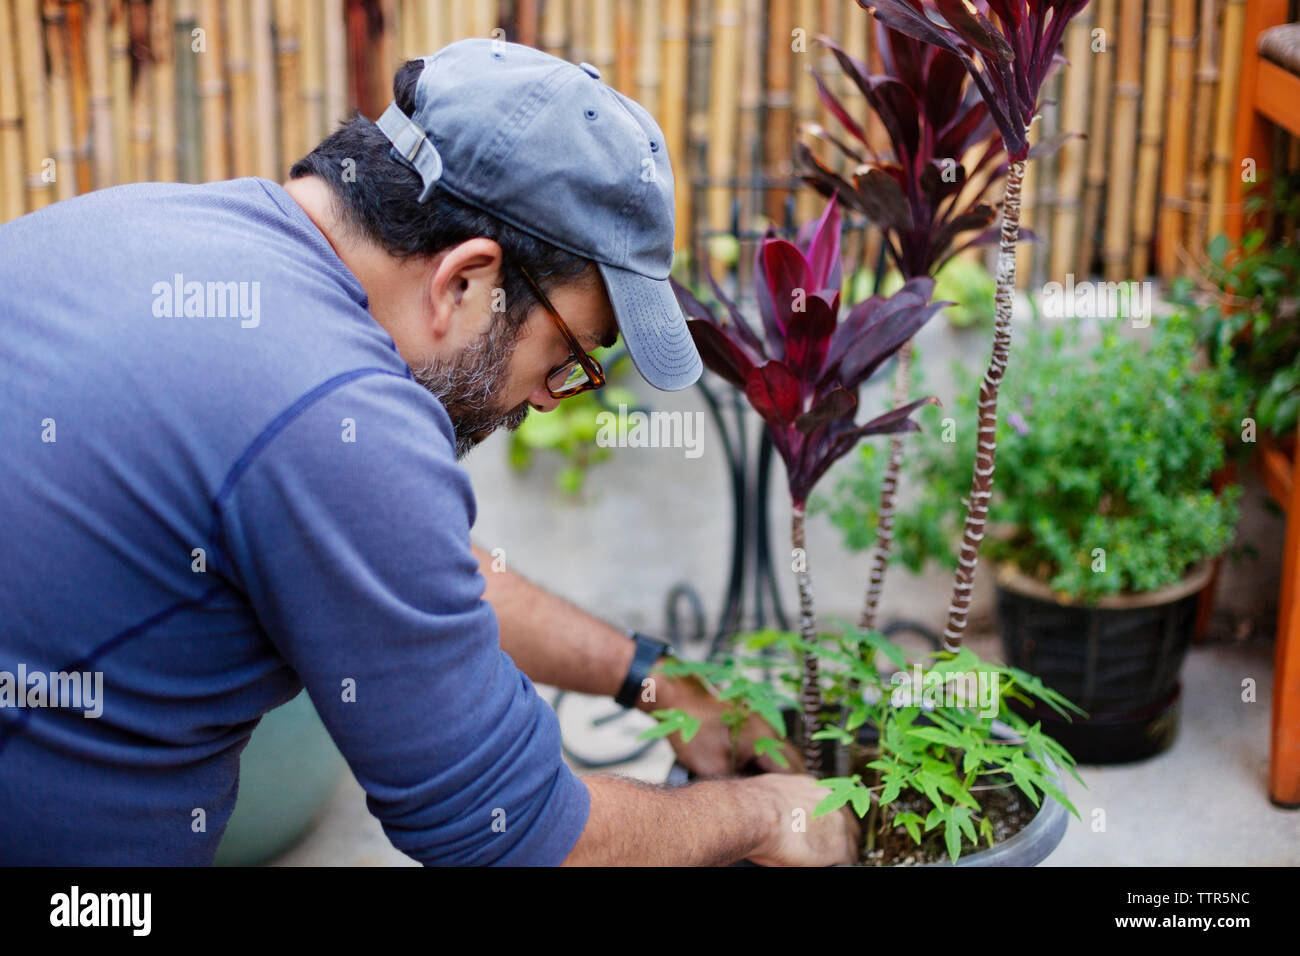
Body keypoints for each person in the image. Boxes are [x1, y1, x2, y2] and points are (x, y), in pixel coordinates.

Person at [0, 38, 857, 866]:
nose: (545, 400)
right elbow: (516, 838)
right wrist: (764, 815)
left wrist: (651, 678)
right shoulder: (336, 411)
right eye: (567, 358)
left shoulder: (150, 223)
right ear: (466, 282)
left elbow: (399, 572)